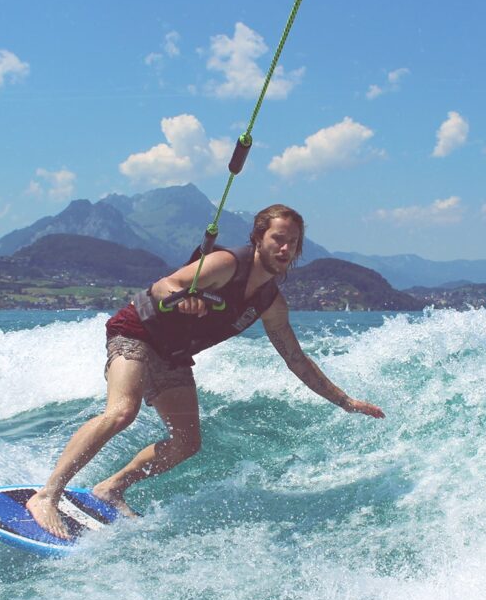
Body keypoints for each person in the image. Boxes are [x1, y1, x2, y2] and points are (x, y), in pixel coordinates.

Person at [27, 204, 384, 540]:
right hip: (138, 331)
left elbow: (296, 358)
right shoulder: (226, 263)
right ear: (259, 238)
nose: (286, 248)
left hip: (174, 353)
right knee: (122, 411)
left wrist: (345, 400)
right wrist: (185, 294)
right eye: (279, 238)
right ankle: (47, 495)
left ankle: (110, 488)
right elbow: (164, 285)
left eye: (293, 242)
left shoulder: (271, 302)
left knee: (187, 443)